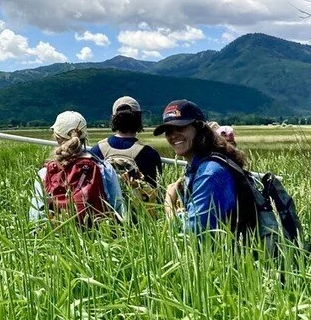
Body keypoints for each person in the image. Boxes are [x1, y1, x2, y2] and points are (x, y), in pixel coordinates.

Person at [154, 99, 278, 248]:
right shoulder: (202, 165)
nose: (173, 135)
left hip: (232, 258)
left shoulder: (210, 173)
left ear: (199, 128)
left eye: (180, 127)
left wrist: (169, 203)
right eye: (168, 131)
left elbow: (193, 235)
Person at [29, 110, 124, 228]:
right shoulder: (104, 169)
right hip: (98, 233)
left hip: (57, 234)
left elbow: (36, 216)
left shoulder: (44, 173)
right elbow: (118, 207)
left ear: (57, 137)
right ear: (84, 137)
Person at [89, 95, 163, 210]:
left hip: (105, 213)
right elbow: (156, 192)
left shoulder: (96, 150)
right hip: (138, 215)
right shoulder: (149, 154)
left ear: (113, 119)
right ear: (138, 119)